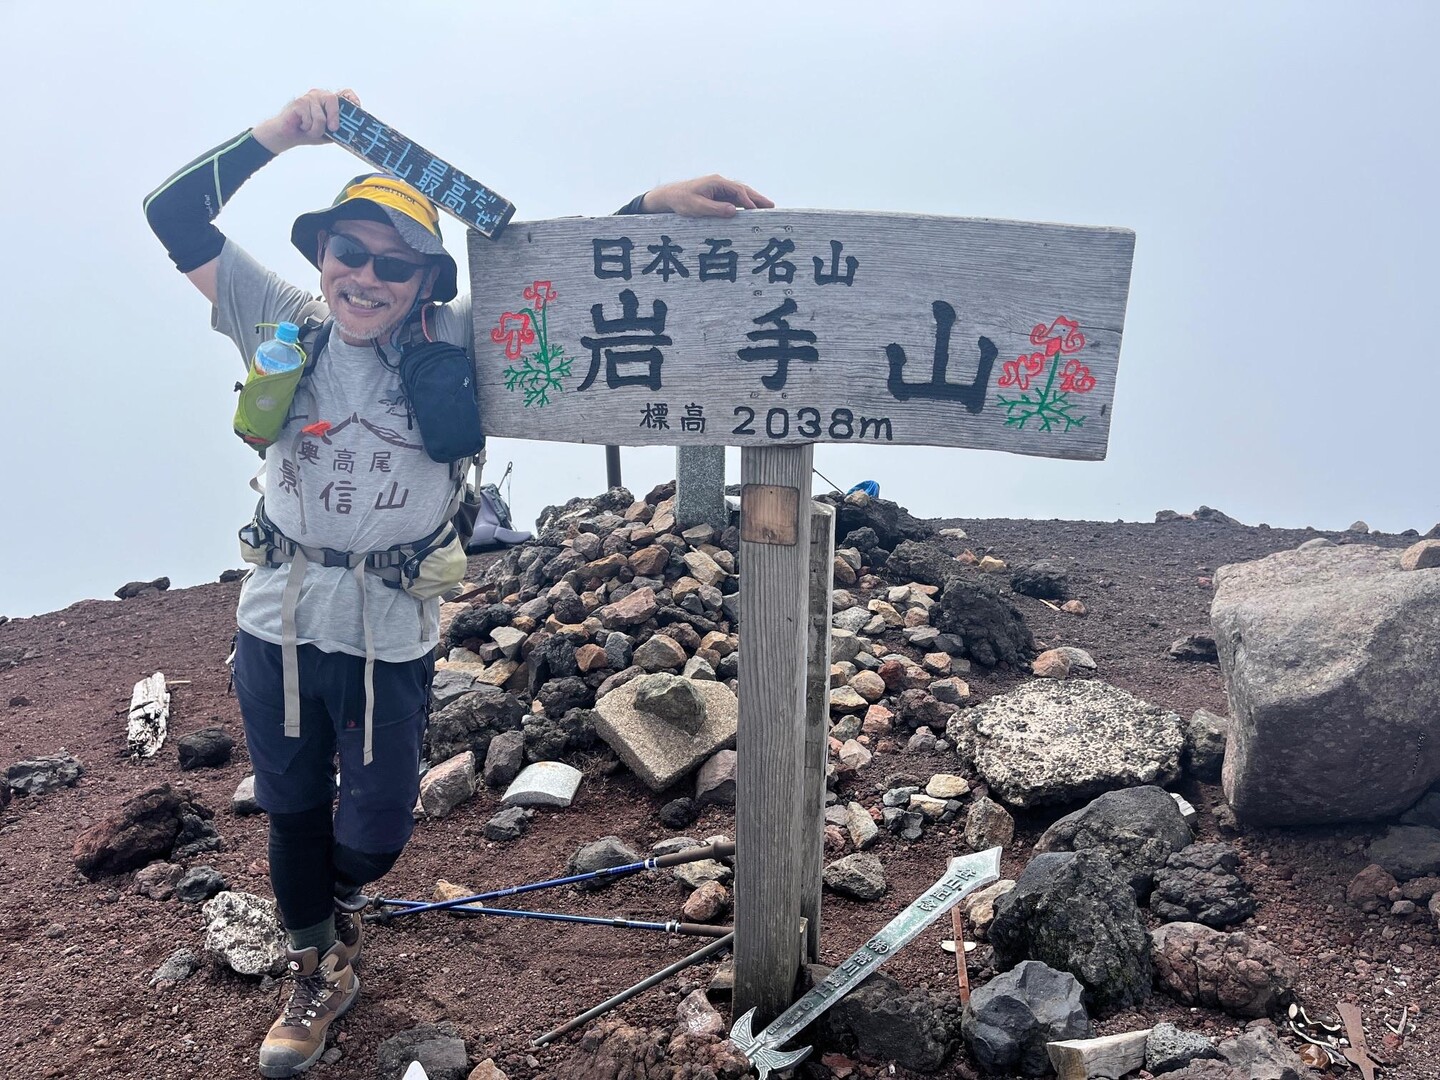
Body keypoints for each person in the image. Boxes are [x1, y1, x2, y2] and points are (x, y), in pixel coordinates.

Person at [143, 88, 771, 1079]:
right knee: (295, 808)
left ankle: (335, 900)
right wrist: (278, 134)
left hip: (392, 631)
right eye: (350, 252)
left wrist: (651, 204)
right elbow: (171, 215)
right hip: (279, 624)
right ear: (322, 256)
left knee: (379, 826)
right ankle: (316, 971)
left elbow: (561, 281)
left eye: (396, 263)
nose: (367, 276)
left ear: (427, 278)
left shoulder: (458, 344)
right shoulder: (279, 318)